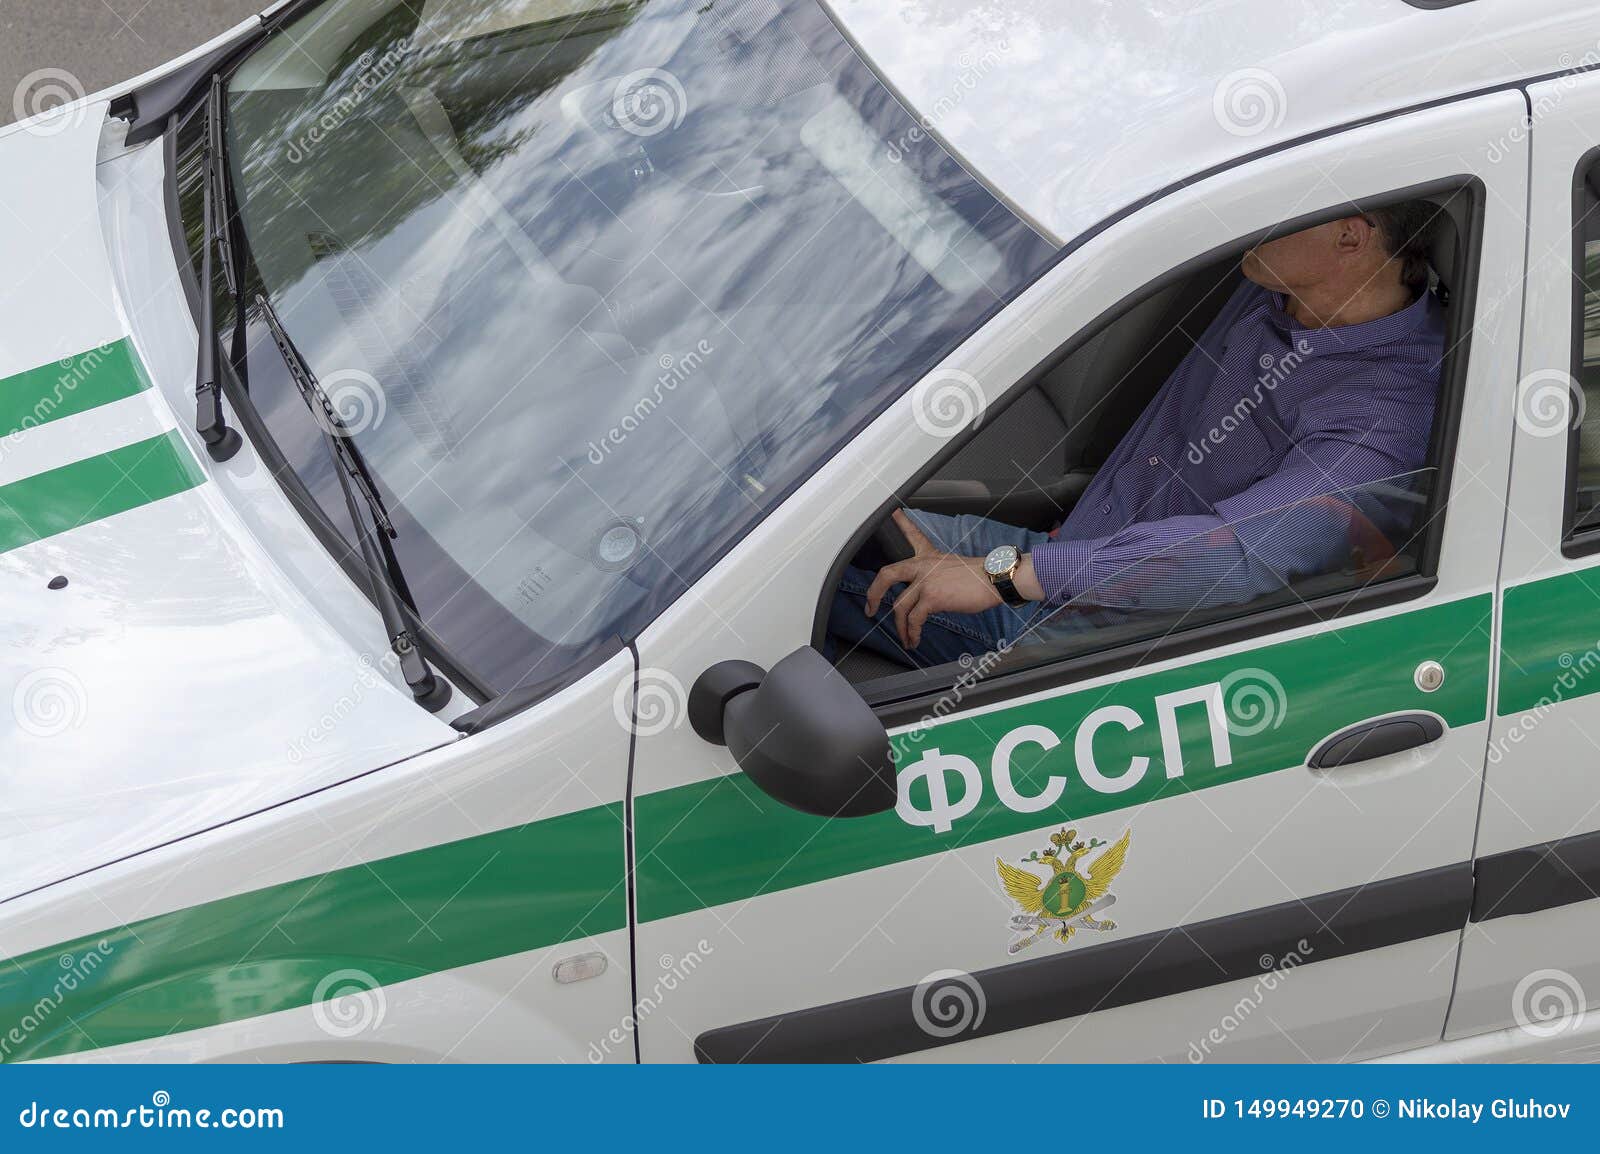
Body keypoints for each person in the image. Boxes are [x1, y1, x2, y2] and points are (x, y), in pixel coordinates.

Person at [830, 203, 1445, 668]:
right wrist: (1016, 565)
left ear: (1349, 235)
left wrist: (1002, 577)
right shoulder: (1275, 285)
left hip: (1103, 634)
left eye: (1285, 204)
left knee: (800, 588)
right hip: (1059, 553)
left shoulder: (1382, 416)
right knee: (840, 527)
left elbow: (1238, 555)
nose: (1251, 215)